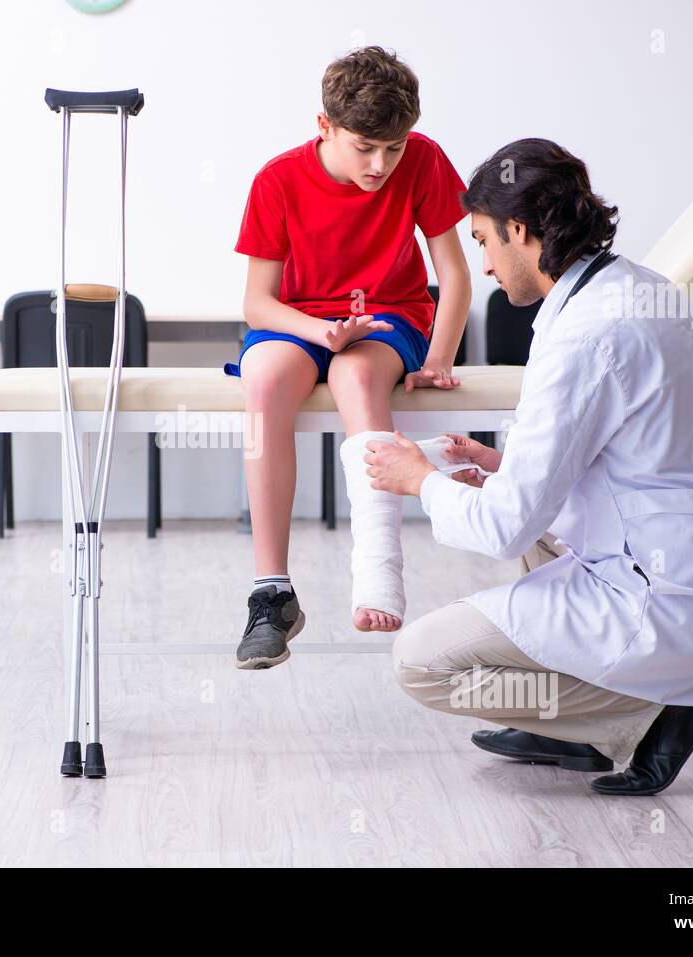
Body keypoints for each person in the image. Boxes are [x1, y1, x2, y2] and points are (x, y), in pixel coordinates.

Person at [365, 138, 693, 795]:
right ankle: (571, 728)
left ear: (519, 232)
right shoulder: (635, 286)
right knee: (522, 514)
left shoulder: (589, 335)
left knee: (419, 664)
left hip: (667, 597)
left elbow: (505, 532)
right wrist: (503, 464)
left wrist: (420, 481)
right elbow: (629, 450)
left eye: (484, 242)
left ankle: (650, 711)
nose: (486, 266)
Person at [225, 46, 472, 668]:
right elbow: (258, 303)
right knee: (265, 378)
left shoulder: (423, 160)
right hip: (298, 317)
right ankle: (271, 594)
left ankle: (377, 570)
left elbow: (454, 273)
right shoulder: (277, 180)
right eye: (365, 147)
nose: (381, 164)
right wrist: (318, 328)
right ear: (324, 126)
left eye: (394, 147)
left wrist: (437, 357)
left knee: (358, 373)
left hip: (391, 315)